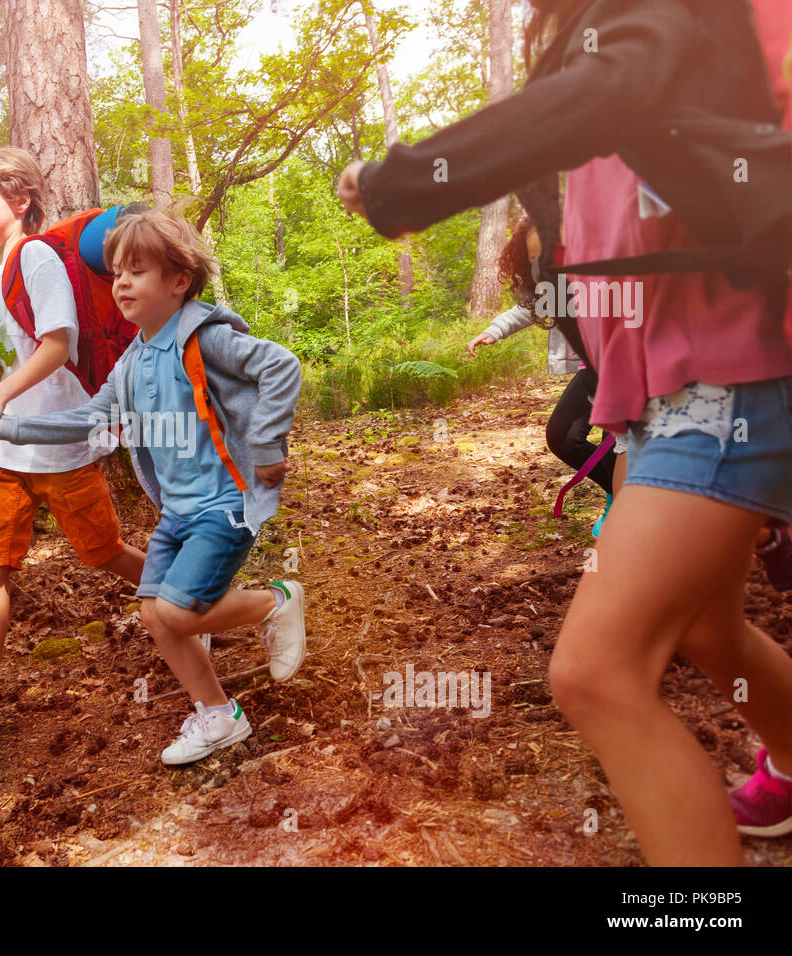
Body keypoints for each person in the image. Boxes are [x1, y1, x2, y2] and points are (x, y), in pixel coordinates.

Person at [338, 0, 792, 861]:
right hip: (672, 398)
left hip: (722, 387)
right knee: (706, 631)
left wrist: (405, 182)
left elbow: (598, 94)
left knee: (597, 674)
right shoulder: (626, 48)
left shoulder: (657, 19)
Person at [0, 209, 307, 766]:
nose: (121, 282)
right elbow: (88, 418)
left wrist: (267, 450)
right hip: (177, 513)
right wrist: (8, 424)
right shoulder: (132, 360)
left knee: (175, 613)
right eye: (118, 271)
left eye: (138, 271)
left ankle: (277, 601)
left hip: (224, 505)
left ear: (178, 281)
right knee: (154, 614)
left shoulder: (207, 337)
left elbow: (282, 366)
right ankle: (219, 714)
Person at [0, 147, 146, 743]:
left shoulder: (37, 257)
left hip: (56, 443)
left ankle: (204, 603)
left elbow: (57, 344)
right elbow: (1, 349)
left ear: (19, 199)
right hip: (8, 450)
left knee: (105, 553)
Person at [468, 214, 616, 534]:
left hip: (624, 371)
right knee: (561, 437)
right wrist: (494, 331)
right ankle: (619, 490)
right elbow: (527, 307)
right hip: (592, 371)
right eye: (535, 258)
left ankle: (624, 507)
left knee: (618, 443)